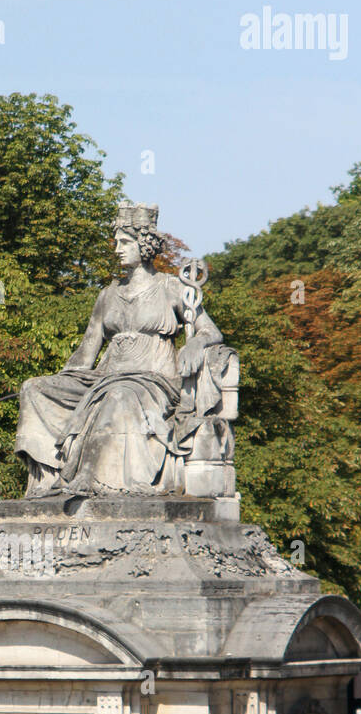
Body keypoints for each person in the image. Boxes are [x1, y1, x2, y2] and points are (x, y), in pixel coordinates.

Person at [15, 202, 232, 497]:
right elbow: (86, 353)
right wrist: (62, 381)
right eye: (116, 242)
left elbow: (211, 331)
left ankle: (92, 479)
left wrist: (196, 342)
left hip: (151, 381)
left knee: (119, 394)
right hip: (104, 378)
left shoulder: (171, 288)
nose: (117, 249)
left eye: (125, 242)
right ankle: (46, 480)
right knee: (33, 388)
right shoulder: (108, 295)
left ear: (145, 245)